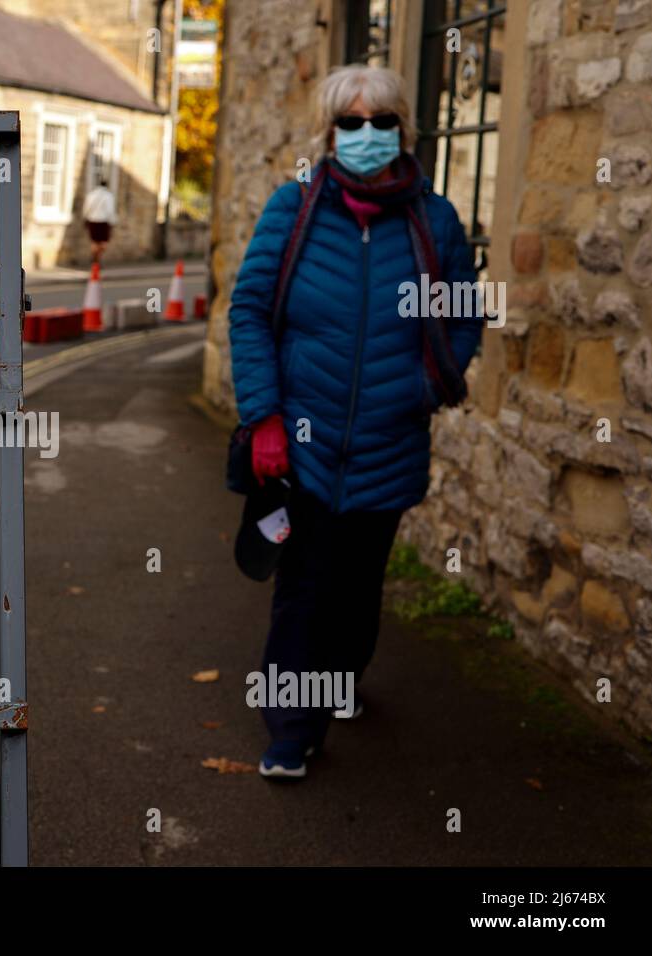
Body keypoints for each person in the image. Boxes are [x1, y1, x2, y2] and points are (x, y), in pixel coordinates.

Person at [227, 64, 483, 781]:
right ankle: (290, 730)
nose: (366, 136)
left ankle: (340, 681)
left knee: (357, 586)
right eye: (351, 123)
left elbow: (464, 317)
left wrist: (424, 386)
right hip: (301, 445)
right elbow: (248, 312)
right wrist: (267, 417)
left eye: (380, 123)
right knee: (304, 587)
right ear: (330, 132)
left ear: (403, 129)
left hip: (389, 440)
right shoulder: (293, 209)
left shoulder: (436, 222)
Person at [82, 177, 117, 263]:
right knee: (103, 243)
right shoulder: (109, 196)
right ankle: (97, 259)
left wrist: (85, 218)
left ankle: (95, 257)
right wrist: (113, 222)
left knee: (94, 242)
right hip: (103, 221)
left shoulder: (91, 195)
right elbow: (110, 210)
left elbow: (86, 209)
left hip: (92, 220)